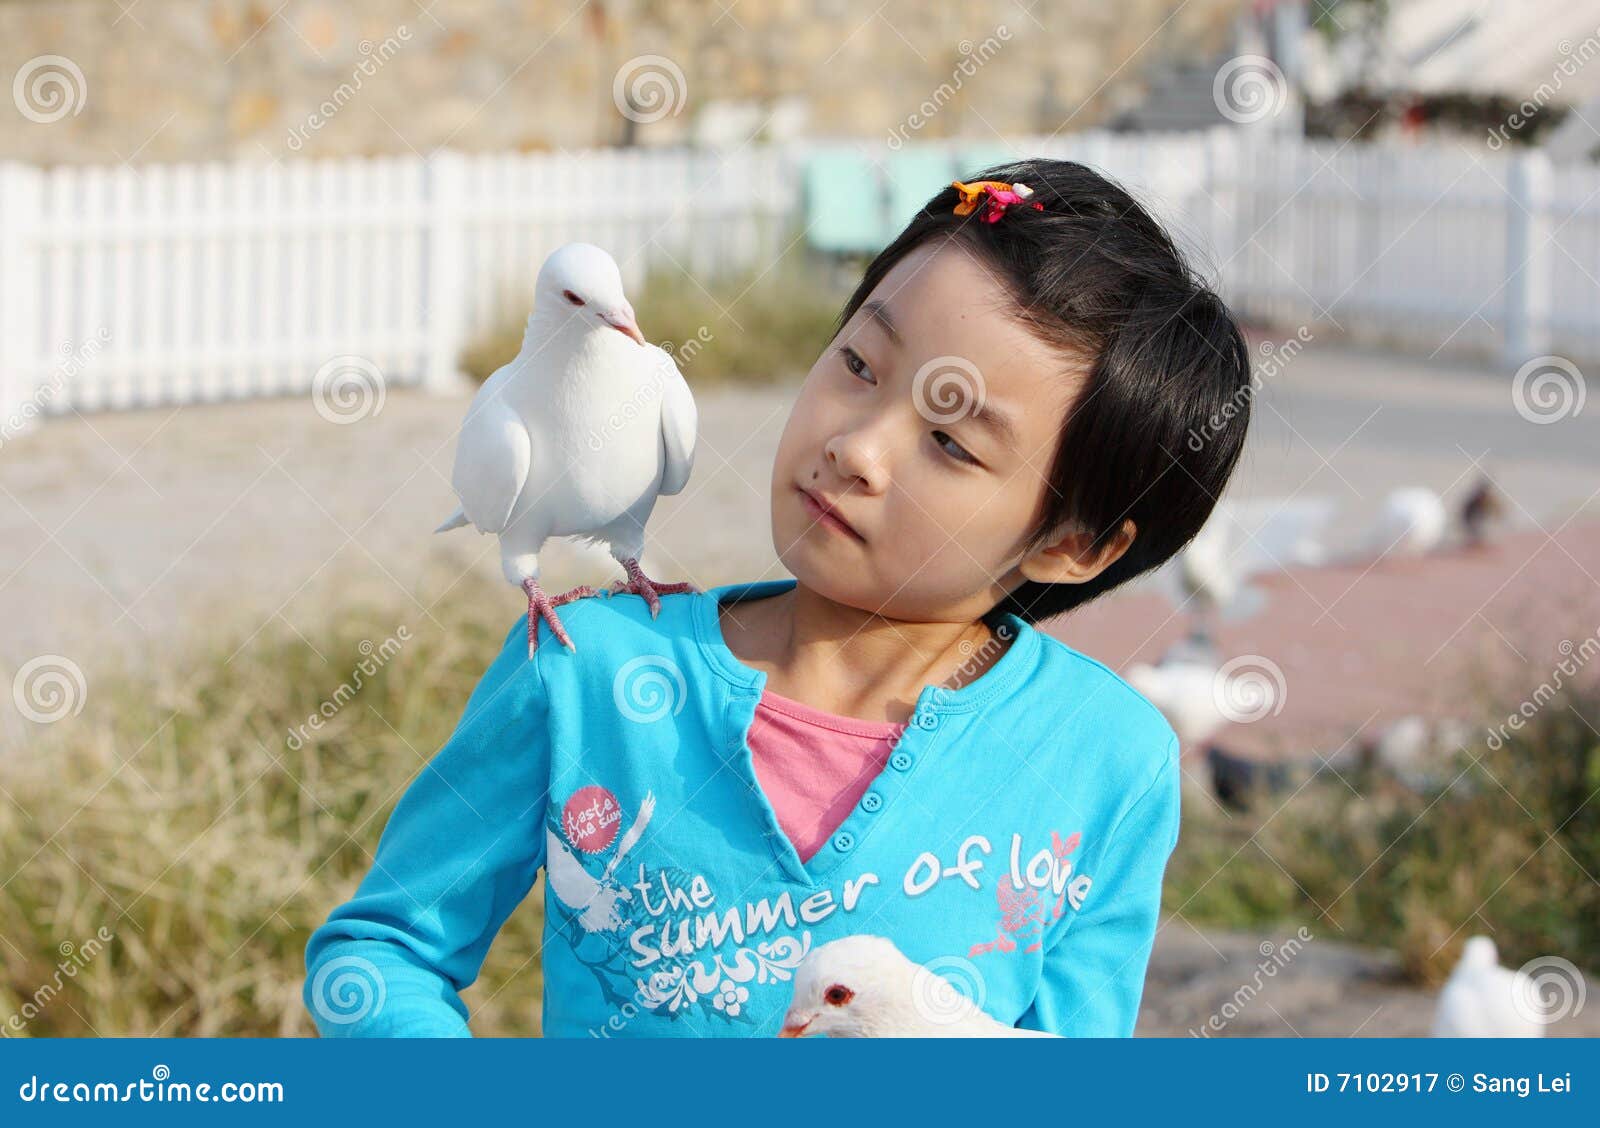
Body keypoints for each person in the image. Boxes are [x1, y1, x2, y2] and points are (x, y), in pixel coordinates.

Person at [303, 162, 1254, 1037]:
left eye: (953, 443)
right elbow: (383, 954)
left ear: (1074, 542)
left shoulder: (1104, 759)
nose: (857, 447)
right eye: (859, 367)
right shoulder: (588, 670)